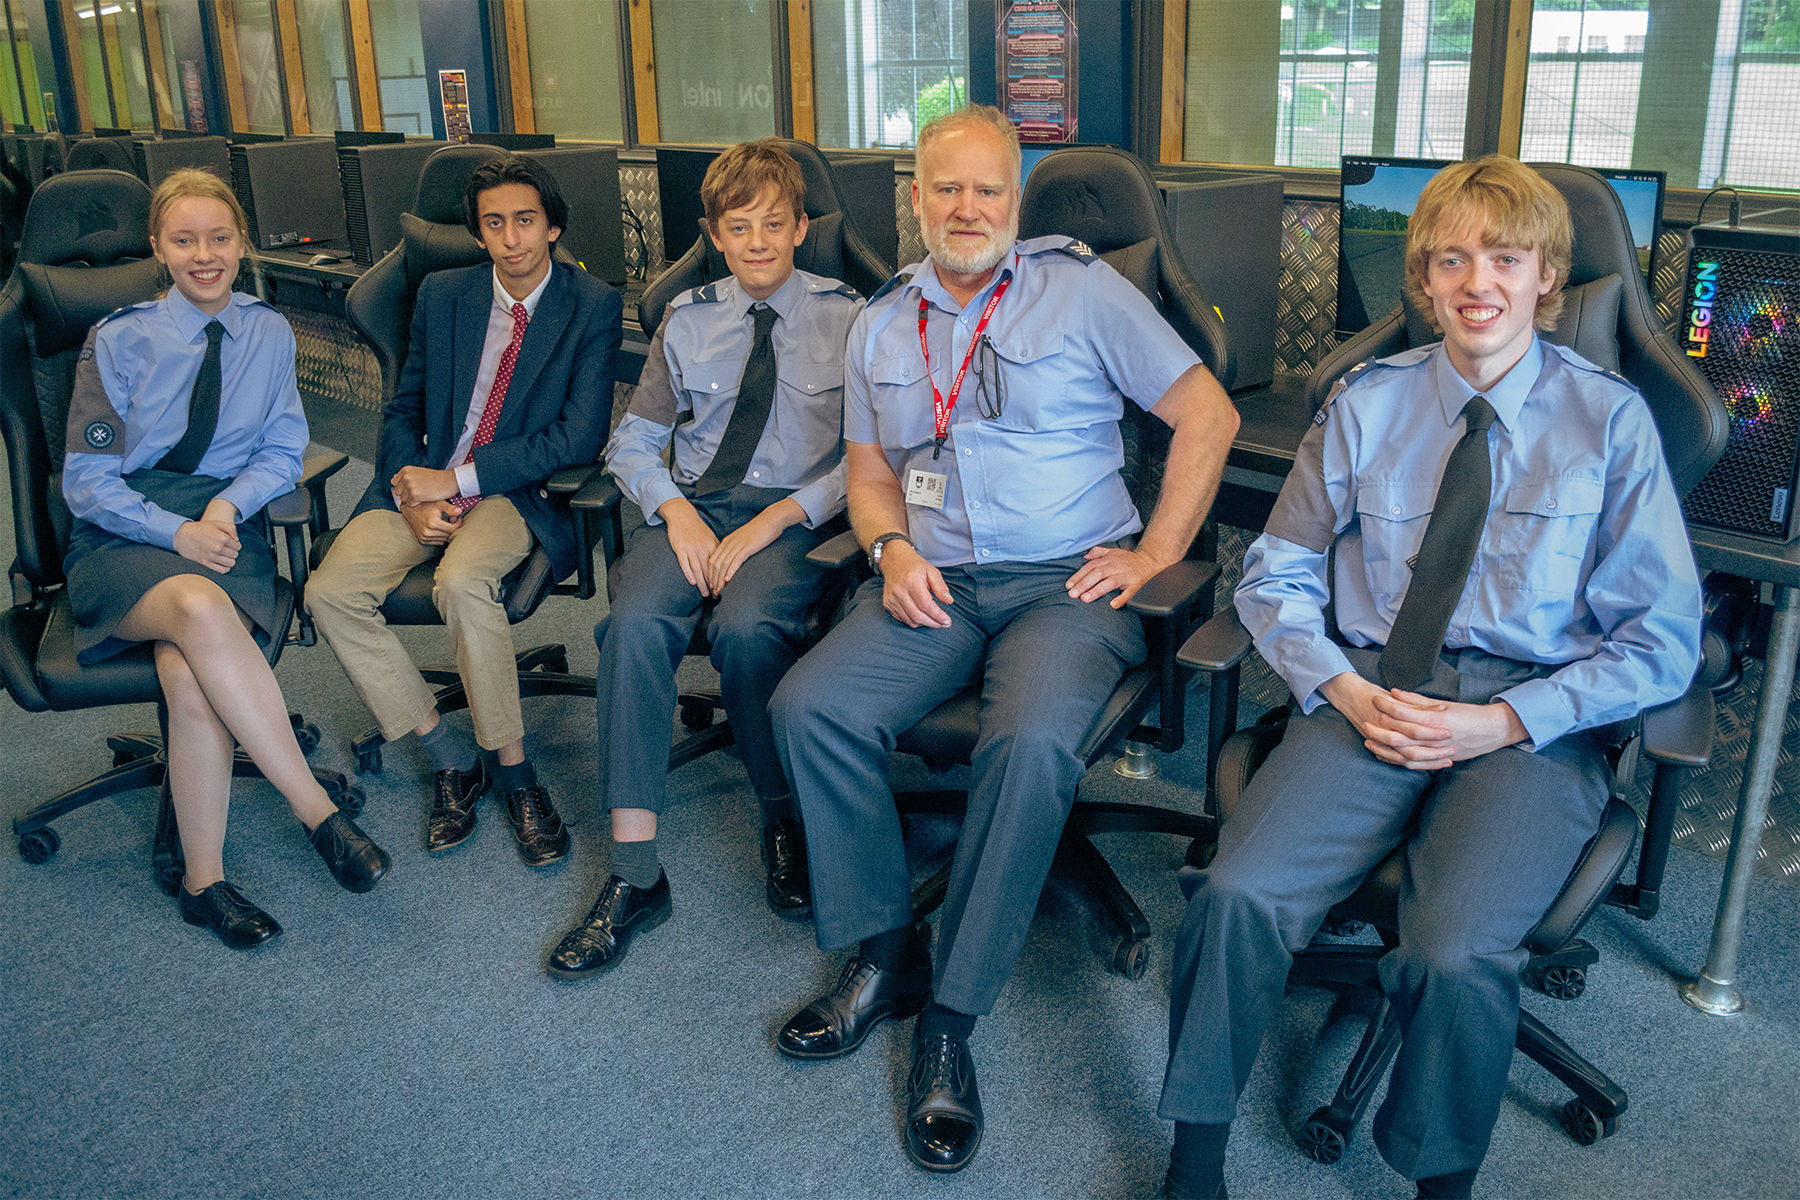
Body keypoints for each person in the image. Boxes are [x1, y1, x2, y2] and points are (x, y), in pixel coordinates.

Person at [1156, 156, 1702, 1200]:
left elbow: (1662, 642)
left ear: (1548, 277)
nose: (1476, 283)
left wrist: (1502, 721)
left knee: (1453, 953)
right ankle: (1195, 1161)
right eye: (1451, 260)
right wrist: (1340, 688)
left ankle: (1439, 1181)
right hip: (1372, 691)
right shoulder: (1366, 403)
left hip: (1529, 723)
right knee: (1235, 893)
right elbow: (1274, 573)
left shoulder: (1610, 422)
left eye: (1505, 259)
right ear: (1423, 279)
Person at [768, 105, 1239, 1173]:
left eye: (988, 189)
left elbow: (1206, 416)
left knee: (1025, 745)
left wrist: (1157, 552)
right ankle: (886, 954)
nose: (968, 207)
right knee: (812, 709)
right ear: (918, 199)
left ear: (1014, 203)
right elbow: (870, 471)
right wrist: (888, 548)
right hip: (937, 576)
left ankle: (951, 1019)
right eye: (948, 188)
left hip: (1067, 583)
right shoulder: (883, 321)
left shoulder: (1084, 291)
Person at [545, 140, 861, 979]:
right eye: (738, 227)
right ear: (714, 236)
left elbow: (866, 461)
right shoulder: (685, 320)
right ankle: (635, 874)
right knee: (632, 629)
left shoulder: (851, 318)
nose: (757, 242)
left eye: (773, 224)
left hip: (789, 519)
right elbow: (634, 442)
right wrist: (677, 513)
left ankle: (781, 816)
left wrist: (773, 524)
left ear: (801, 227)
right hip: (694, 509)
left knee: (748, 631)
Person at [62, 167, 390, 950]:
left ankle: (202, 885)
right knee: (200, 606)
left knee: (188, 679)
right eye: (184, 240)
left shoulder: (269, 332)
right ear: (158, 248)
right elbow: (86, 480)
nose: (203, 255)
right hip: (125, 534)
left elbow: (283, 448)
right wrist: (172, 532)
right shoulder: (117, 339)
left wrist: (225, 507)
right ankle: (318, 812)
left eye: (219, 238)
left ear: (242, 243)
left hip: (221, 526)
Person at [306, 155, 621, 867]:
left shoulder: (591, 305)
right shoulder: (445, 294)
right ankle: (449, 756)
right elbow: (403, 408)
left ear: (553, 226)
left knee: (460, 581)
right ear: (477, 234)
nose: (512, 238)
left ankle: (515, 772)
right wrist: (408, 492)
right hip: (423, 485)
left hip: (515, 490)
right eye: (495, 224)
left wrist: (456, 477)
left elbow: (577, 438)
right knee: (328, 593)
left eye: (526, 221)